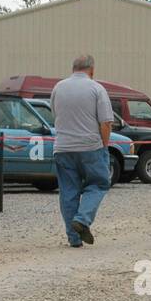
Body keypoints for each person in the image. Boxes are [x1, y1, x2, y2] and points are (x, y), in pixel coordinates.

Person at [49, 54, 113, 247]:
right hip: (90, 147)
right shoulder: (96, 88)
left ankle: (74, 238)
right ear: (92, 70)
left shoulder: (58, 88)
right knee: (99, 184)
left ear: (73, 68)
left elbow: (55, 115)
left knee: (68, 191)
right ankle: (83, 220)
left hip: (62, 147)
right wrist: (104, 145)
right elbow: (106, 122)